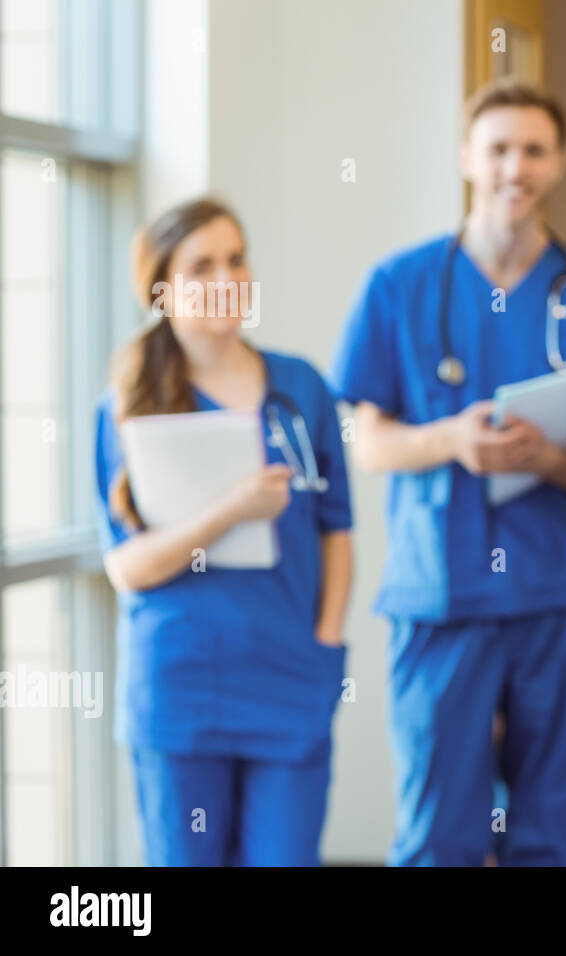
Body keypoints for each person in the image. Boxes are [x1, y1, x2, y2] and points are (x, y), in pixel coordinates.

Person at [330, 81, 566, 866]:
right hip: (442, 593)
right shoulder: (398, 286)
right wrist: (450, 441)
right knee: (438, 834)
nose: (515, 166)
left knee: (548, 831)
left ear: (559, 161)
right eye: (498, 148)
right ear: (467, 157)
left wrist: (551, 459)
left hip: (560, 593)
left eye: (534, 149)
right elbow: (367, 443)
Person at [94, 198, 354, 866]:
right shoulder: (128, 406)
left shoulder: (301, 388)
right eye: (201, 265)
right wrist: (230, 510)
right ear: (162, 288)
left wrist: (327, 647)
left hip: (291, 677)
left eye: (236, 259)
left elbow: (338, 532)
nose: (226, 278)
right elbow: (129, 567)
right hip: (180, 688)